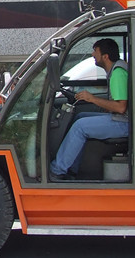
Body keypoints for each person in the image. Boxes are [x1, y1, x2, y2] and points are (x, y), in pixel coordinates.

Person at [50, 38, 129, 180]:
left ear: (105, 56)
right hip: (123, 119)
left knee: (80, 127)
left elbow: (121, 107)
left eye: (95, 51)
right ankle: (71, 170)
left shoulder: (118, 73)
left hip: (126, 123)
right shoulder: (116, 69)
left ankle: (57, 171)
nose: (92, 54)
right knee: (80, 117)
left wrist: (92, 98)